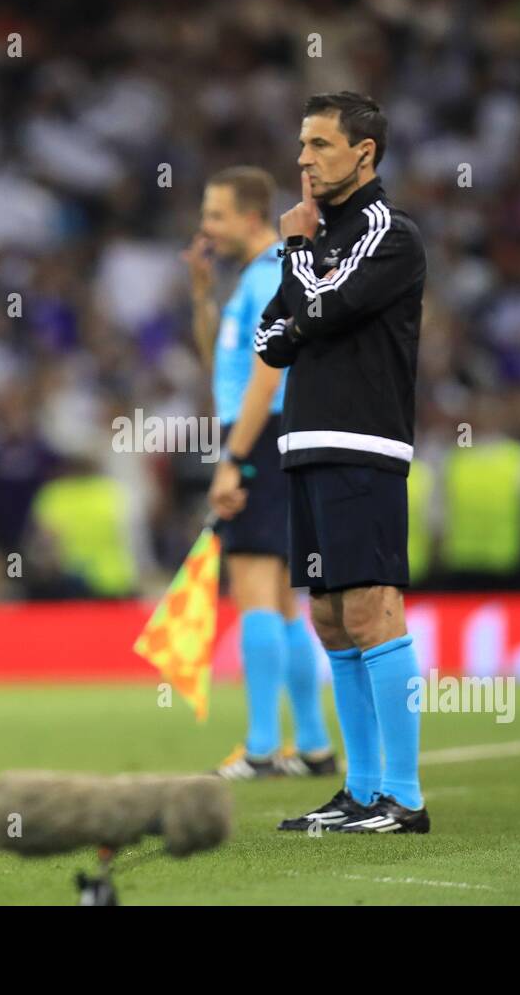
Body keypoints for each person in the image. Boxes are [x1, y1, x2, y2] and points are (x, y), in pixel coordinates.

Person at [256, 92, 429, 834]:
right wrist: (302, 280)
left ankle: (405, 795)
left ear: (365, 153)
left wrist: (298, 257)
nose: (303, 159)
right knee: (329, 618)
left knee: (370, 608)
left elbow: (321, 309)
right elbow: (271, 338)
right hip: (305, 444)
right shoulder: (317, 240)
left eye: (320, 145)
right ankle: (360, 790)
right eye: (301, 145)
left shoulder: (389, 233)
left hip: (365, 442)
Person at [182, 166, 335, 781]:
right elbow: (219, 361)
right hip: (264, 435)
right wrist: (200, 292)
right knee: (278, 598)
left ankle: (264, 746)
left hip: (261, 435)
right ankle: (316, 745)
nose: (206, 228)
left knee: (254, 590)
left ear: (250, 218)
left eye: (215, 215)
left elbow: (267, 377)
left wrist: (232, 459)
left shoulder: (272, 273)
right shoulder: (251, 280)